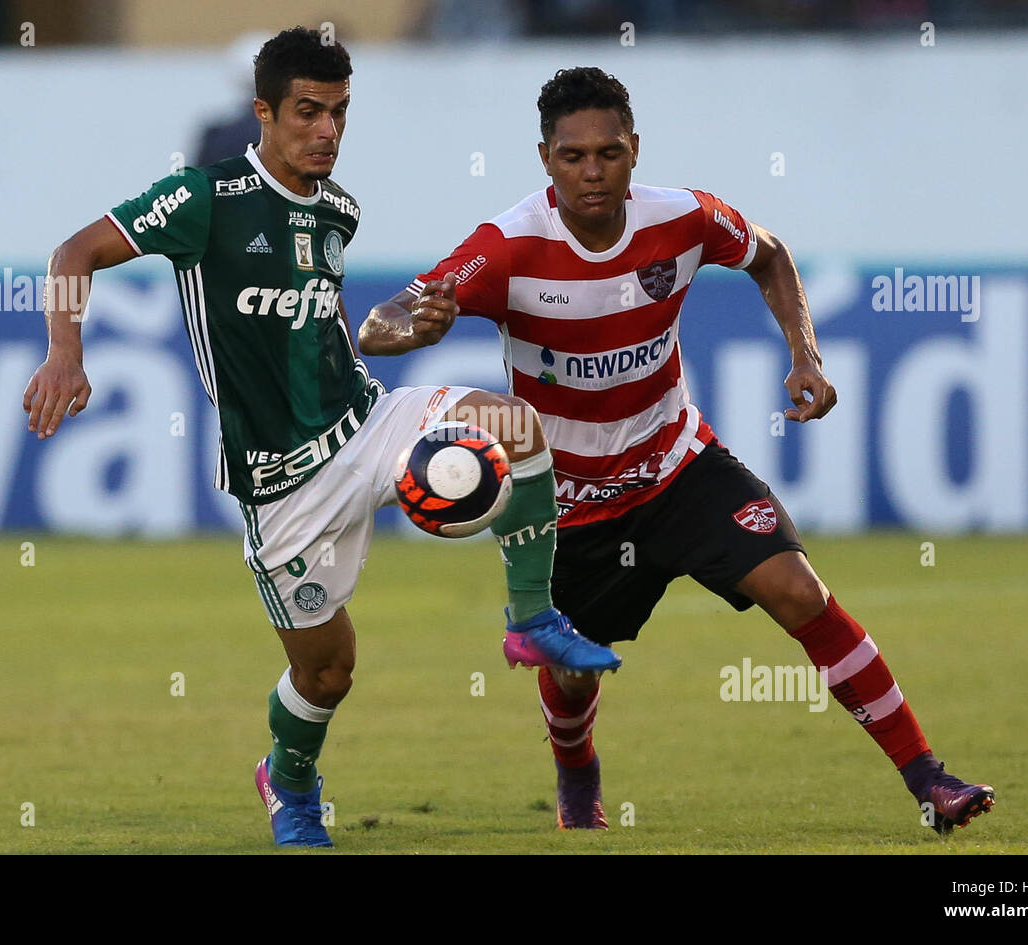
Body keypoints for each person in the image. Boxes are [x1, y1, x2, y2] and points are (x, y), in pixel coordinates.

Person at [20, 31, 621, 849]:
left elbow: (326, 316)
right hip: (280, 487)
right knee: (326, 670)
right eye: (308, 112)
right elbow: (73, 251)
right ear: (263, 112)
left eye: (340, 113)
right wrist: (64, 352)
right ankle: (289, 779)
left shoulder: (338, 210)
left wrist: (390, 343)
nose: (327, 130)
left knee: (511, 422)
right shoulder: (203, 197)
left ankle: (530, 616)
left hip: (365, 422)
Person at [361, 67, 995, 835]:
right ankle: (576, 770)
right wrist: (406, 331)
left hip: (676, 467)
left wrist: (806, 355)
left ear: (635, 150)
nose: (592, 172)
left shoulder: (686, 218)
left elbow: (769, 254)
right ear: (544, 159)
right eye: (572, 157)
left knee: (801, 594)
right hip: (570, 507)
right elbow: (386, 318)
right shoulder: (508, 247)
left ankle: (930, 779)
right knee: (568, 674)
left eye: (609, 152)